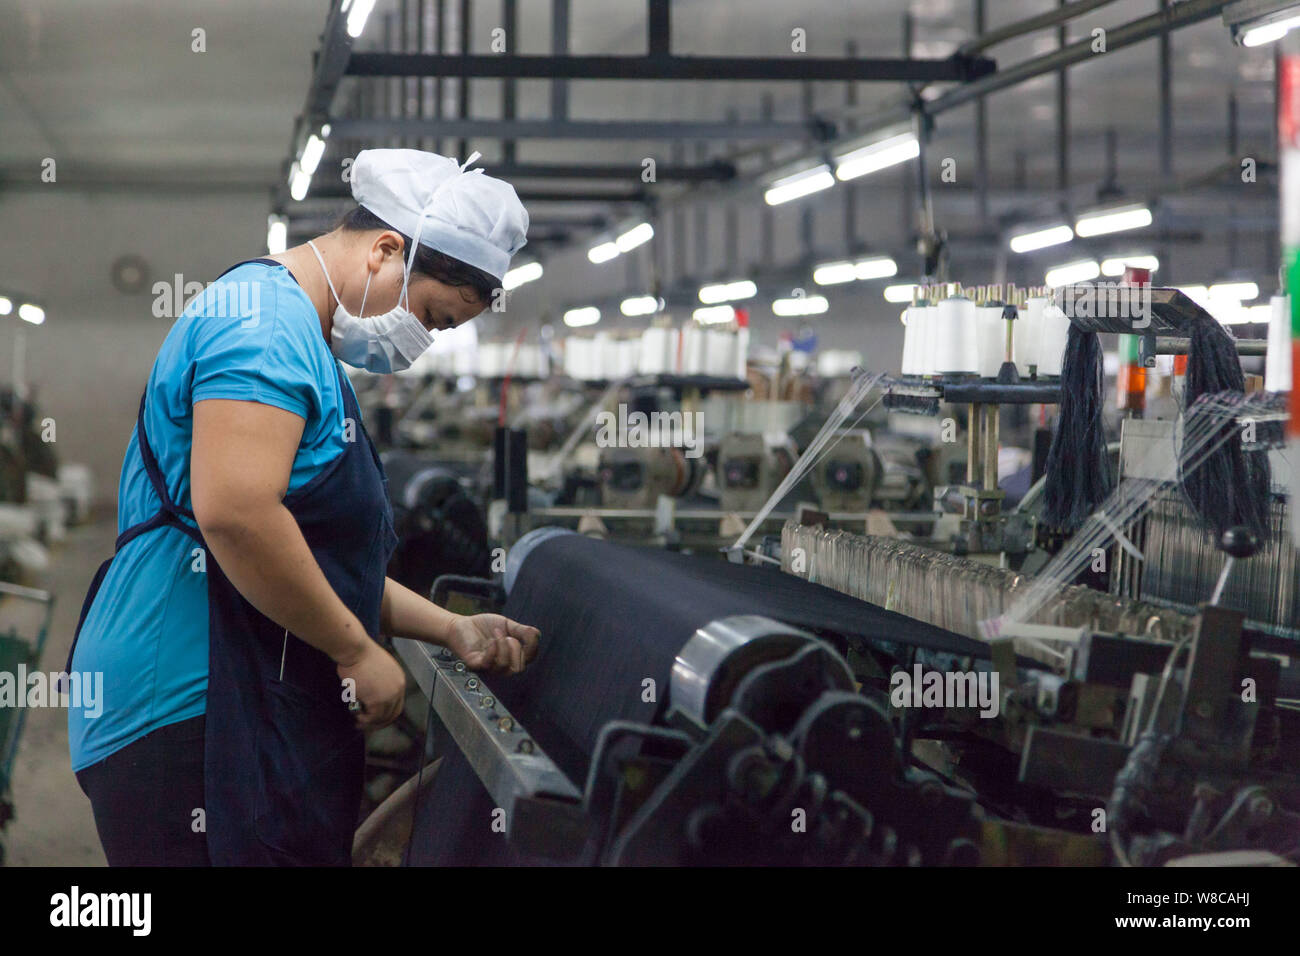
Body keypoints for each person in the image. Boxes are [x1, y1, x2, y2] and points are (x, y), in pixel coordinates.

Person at [67, 148, 540, 865]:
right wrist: (354, 649)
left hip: (226, 688)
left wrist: (452, 629)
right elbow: (238, 516)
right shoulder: (264, 325)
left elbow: (311, 563)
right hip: (185, 697)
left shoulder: (302, 336)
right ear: (386, 250)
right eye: (433, 316)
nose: (424, 340)